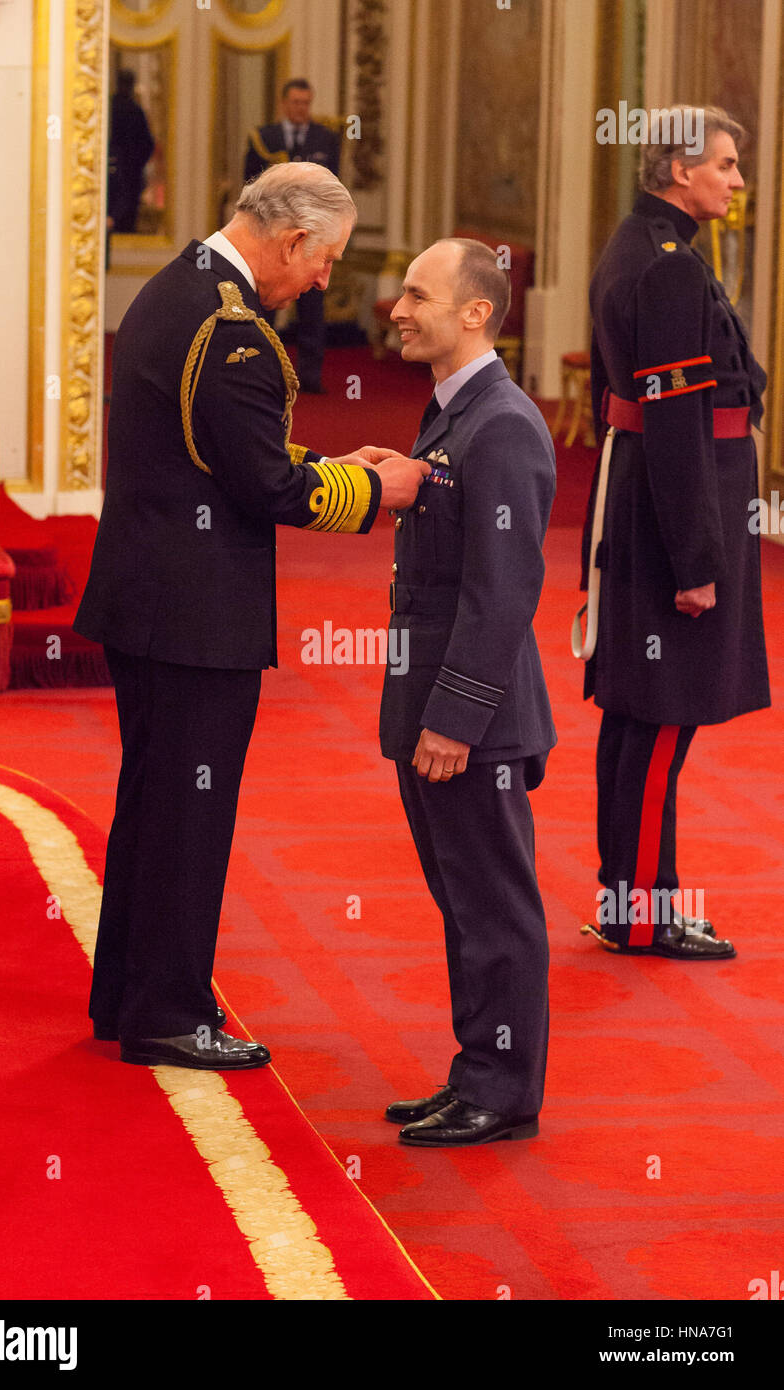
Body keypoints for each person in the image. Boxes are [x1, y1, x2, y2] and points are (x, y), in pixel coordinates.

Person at [74, 162, 429, 1072]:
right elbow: (264, 483)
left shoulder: (182, 285)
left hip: (148, 596)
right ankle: (172, 1013)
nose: (322, 281)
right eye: (325, 262)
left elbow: (225, 446)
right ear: (290, 239)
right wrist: (374, 489)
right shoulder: (232, 331)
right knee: (189, 814)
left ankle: (129, 994)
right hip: (195, 615)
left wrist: (331, 457)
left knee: (153, 802)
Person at [577, 106, 769, 960]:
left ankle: (633, 905)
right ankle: (642, 917)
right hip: (674, 521)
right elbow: (677, 422)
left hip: (641, 505)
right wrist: (698, 562)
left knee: (638, 723)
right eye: (725, 165)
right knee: (658, 724)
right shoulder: (669, 269)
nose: (736, 180)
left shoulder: (644, 245)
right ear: (678, 172)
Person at [379, 239, 556, 1146]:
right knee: (463, 905)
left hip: (473, 722)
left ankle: (505, 1091)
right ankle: (475, 1072)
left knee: (496, 911)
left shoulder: (504, 424)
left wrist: (451, 717)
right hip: (437, 711)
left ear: (475, 312)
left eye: (418, 294)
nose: (398, 309)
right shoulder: (452, 412)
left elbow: (503, 594)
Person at [244, 79, 341, 392]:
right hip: (274, 236)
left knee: (312, 308)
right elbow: (252, 188)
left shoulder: (325, 138)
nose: (301, 109)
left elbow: (333, 189)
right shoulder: (264, 138)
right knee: (268, 303)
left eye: (306, 103)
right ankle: (263, 374)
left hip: (313, 238)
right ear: (284, 103)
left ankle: (310, 377)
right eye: (296, 103)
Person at [107, 69, 155, 234]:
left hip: (111, 172)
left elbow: (147, 145)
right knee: (127, 221)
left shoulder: (108, 107)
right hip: (130, 175)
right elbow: (148, 145)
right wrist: (135, 164)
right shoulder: (135, 110)